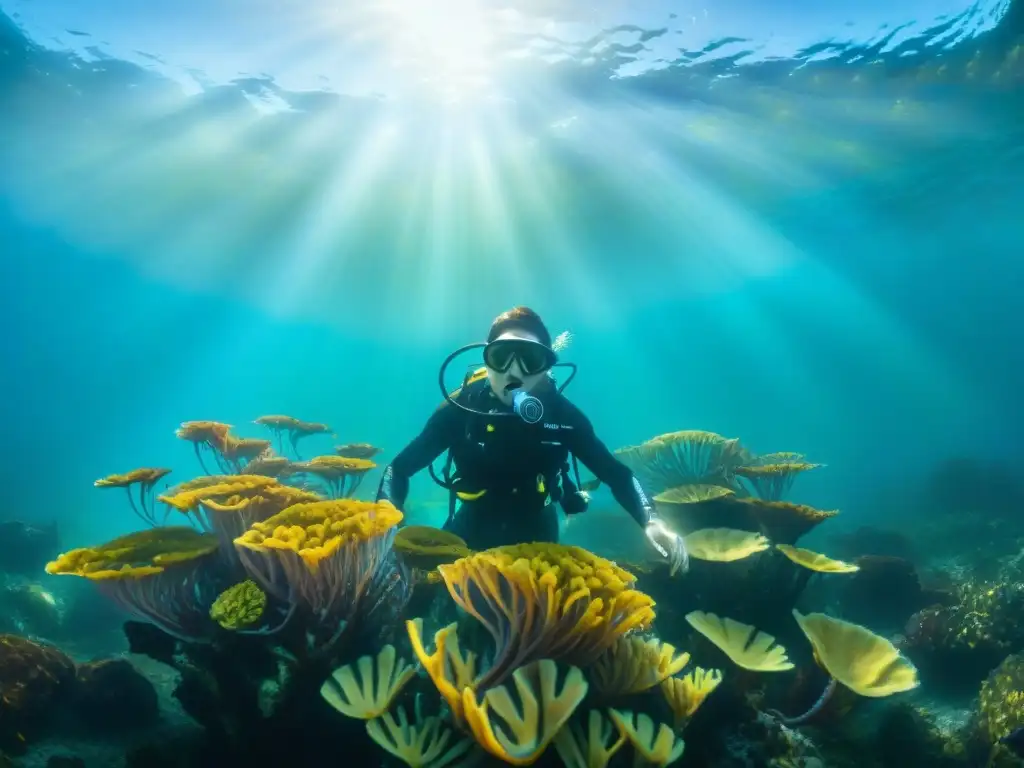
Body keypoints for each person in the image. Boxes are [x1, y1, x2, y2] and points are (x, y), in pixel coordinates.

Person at [376, 306, 688, 574]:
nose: (514, 371)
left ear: (546, 368)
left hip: (537, 525)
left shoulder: (564, 416)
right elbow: (399, 469)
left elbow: (617, 475)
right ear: (486, 361)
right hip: (471, 521)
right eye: (501, 356)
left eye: (530, 359)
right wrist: (386, 517)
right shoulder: (461, 408)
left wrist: (651, 521)